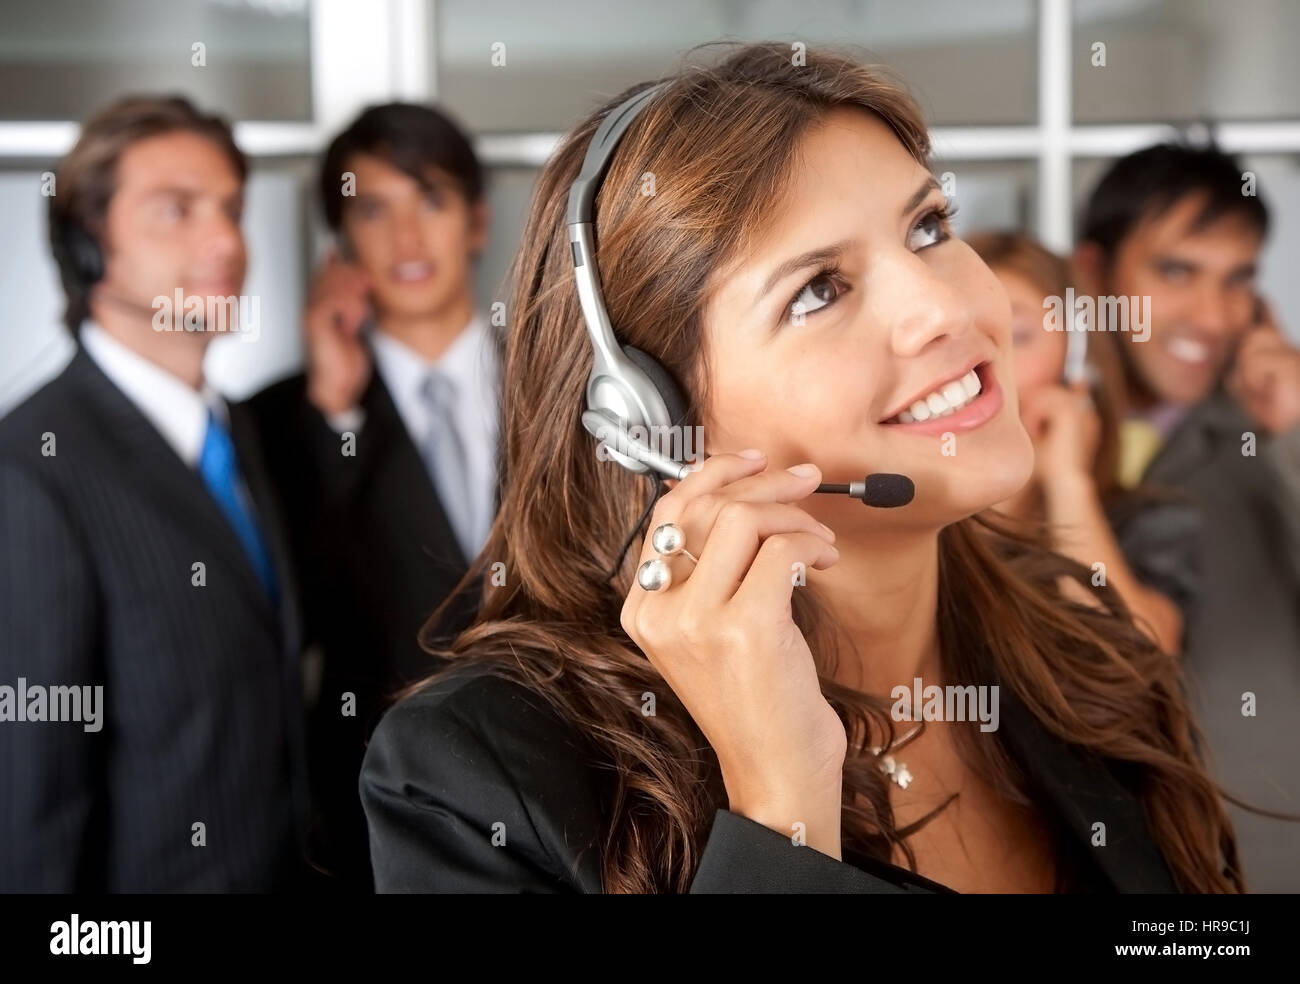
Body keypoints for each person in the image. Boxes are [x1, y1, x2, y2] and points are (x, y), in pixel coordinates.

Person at [360, 43, 1240, 893]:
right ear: (655, 419)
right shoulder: (480, 775)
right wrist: (781, 806)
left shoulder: (1096, 658)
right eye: (819, 288)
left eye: (929, 226)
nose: (942, 306)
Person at [0, 95, 310, 890]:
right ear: (85, 244)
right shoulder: (33, 468)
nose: (226, 242)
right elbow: (34, 802)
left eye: (232, 210)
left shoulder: (240, 430)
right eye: (176, 210)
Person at [249, 103, 499, 889]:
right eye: (372, 209)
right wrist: (335, 414)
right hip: (376, 822)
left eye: (430, 199)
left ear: (477, 221)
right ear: (342, 243)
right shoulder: (284, 422)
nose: (406, 238)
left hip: (567, 797)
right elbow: (293, 623)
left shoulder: (568, 389)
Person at [1074, 143, 1300, 891]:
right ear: (1094, 275)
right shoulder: (1032, 436)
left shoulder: (1269, 440)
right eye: (1176, 272)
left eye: (1238, 280)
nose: (1213, 315)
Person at [968, 232, 1192, 655]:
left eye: (1018, 334)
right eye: (970, 334)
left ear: (1077, 359)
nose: (987, 361)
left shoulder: (1149, 522)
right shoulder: (917, 512)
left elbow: (1140, 654)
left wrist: (1068, 485)